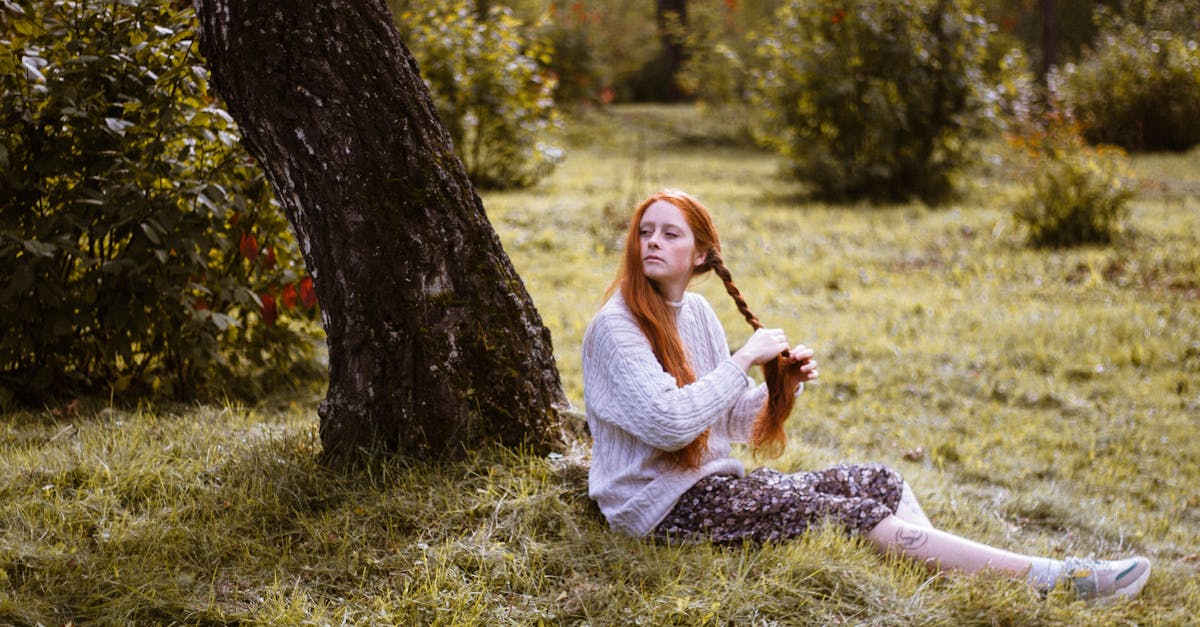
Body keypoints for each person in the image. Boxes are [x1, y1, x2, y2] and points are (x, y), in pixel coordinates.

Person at [581, 189, 1151, 602]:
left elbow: (727, 419)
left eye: (669, 232)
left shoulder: (696, 313)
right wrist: (742, 360)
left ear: (702, 254)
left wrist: (782, 389)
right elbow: (667, 424)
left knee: (880, 480)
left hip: (711, 489)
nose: (652, 241)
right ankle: (1048, 578)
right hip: (659, 510)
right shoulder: (617, 326)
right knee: (853, 514)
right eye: (645, 231)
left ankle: (944, 585)